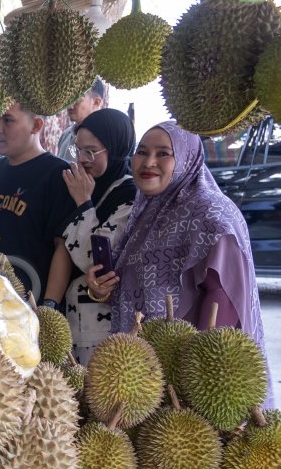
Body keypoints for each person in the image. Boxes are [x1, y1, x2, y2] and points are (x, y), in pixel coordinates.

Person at [86, 123, 270, 402]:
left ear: (186, 158)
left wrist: (199, 378)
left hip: (188, 378)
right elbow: (142, 288)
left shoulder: (211, 215)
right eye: (142, 152)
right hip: (140, 372)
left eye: (163, 153)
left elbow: (224, 300)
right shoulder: (148, 209)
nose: (148, 162)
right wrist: (100, 290)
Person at [0, 102, 76, 305]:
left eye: (8, 120)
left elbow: (64, 247)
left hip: (33, 298)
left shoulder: (57, 174)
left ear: (36, 126)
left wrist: (50, 303)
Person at [59, 108, 138, 363]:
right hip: (72, 321)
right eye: (79, 150)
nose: (82, 159)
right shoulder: (86, 187)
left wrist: (83, 203)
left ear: (115, 149)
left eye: (91, 151)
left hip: (102, 330)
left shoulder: (129, 196)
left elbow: (93, 260)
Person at [56, 79, 107, 160]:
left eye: (76, 100)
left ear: (96, 102)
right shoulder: (66, 134)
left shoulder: (105, 139)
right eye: (68, 100)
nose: (70, 107)